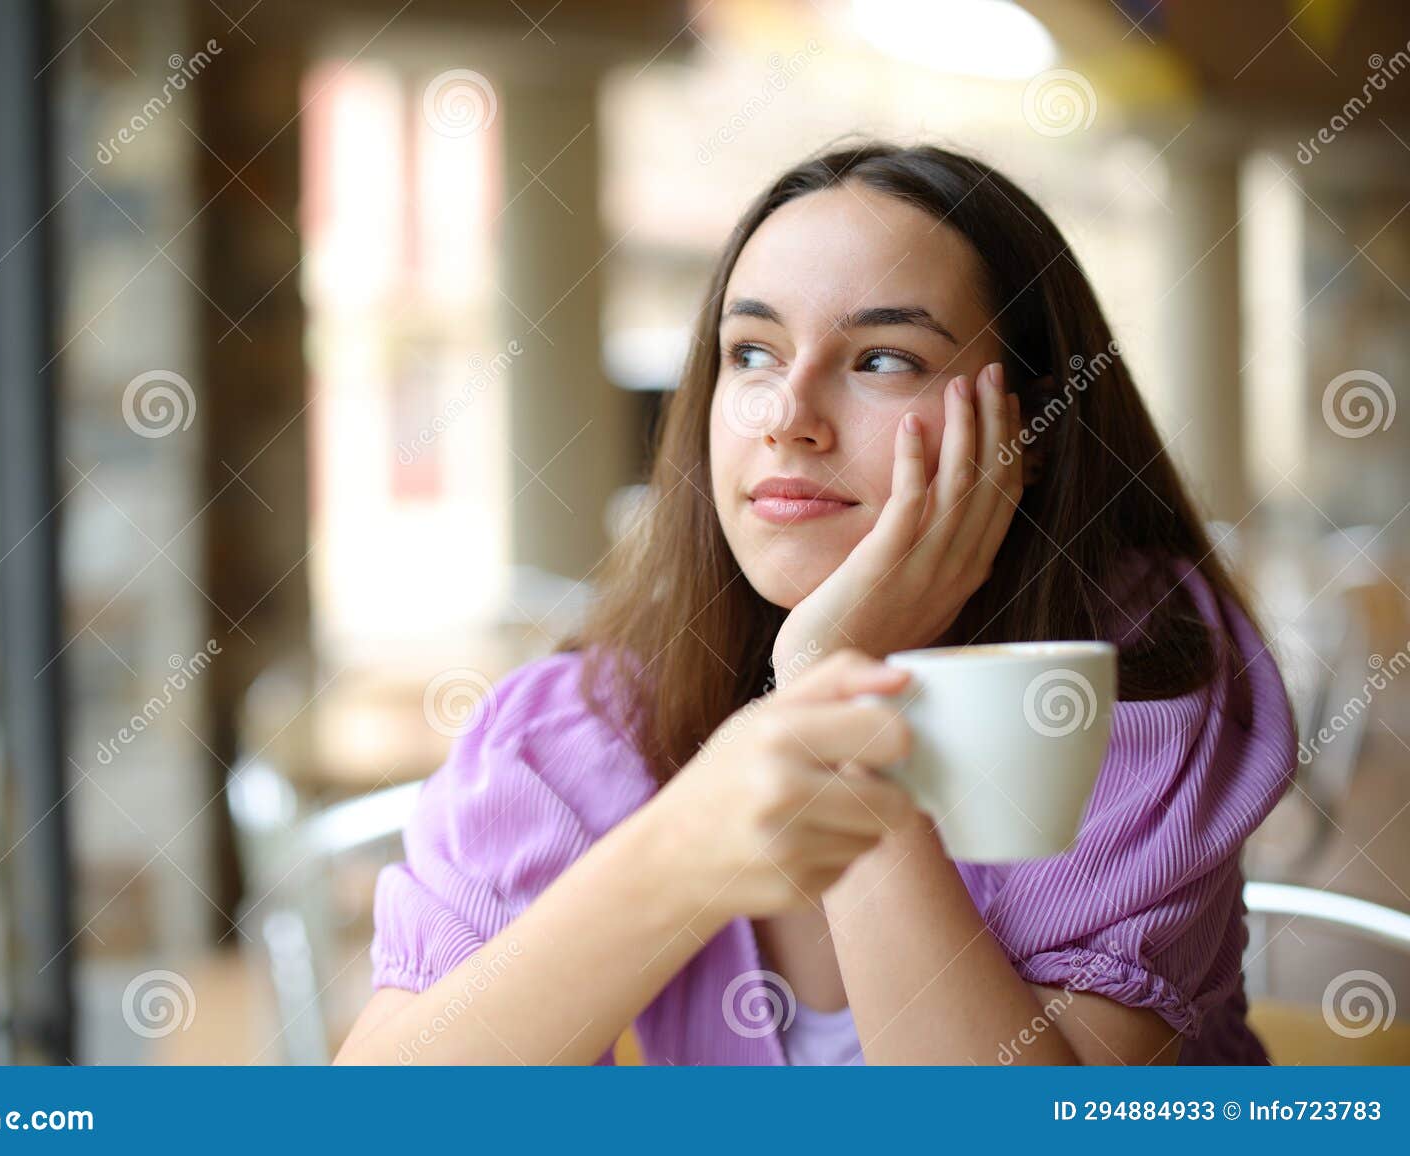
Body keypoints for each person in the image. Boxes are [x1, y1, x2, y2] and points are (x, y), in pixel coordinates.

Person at [334, 141, 1296, 1066]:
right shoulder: (575, 726)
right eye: (752, 353)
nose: (786, 416)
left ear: (1030, 431)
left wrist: (830, 689)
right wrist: (684, 849)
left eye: (882, 359)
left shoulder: (1125, 685)